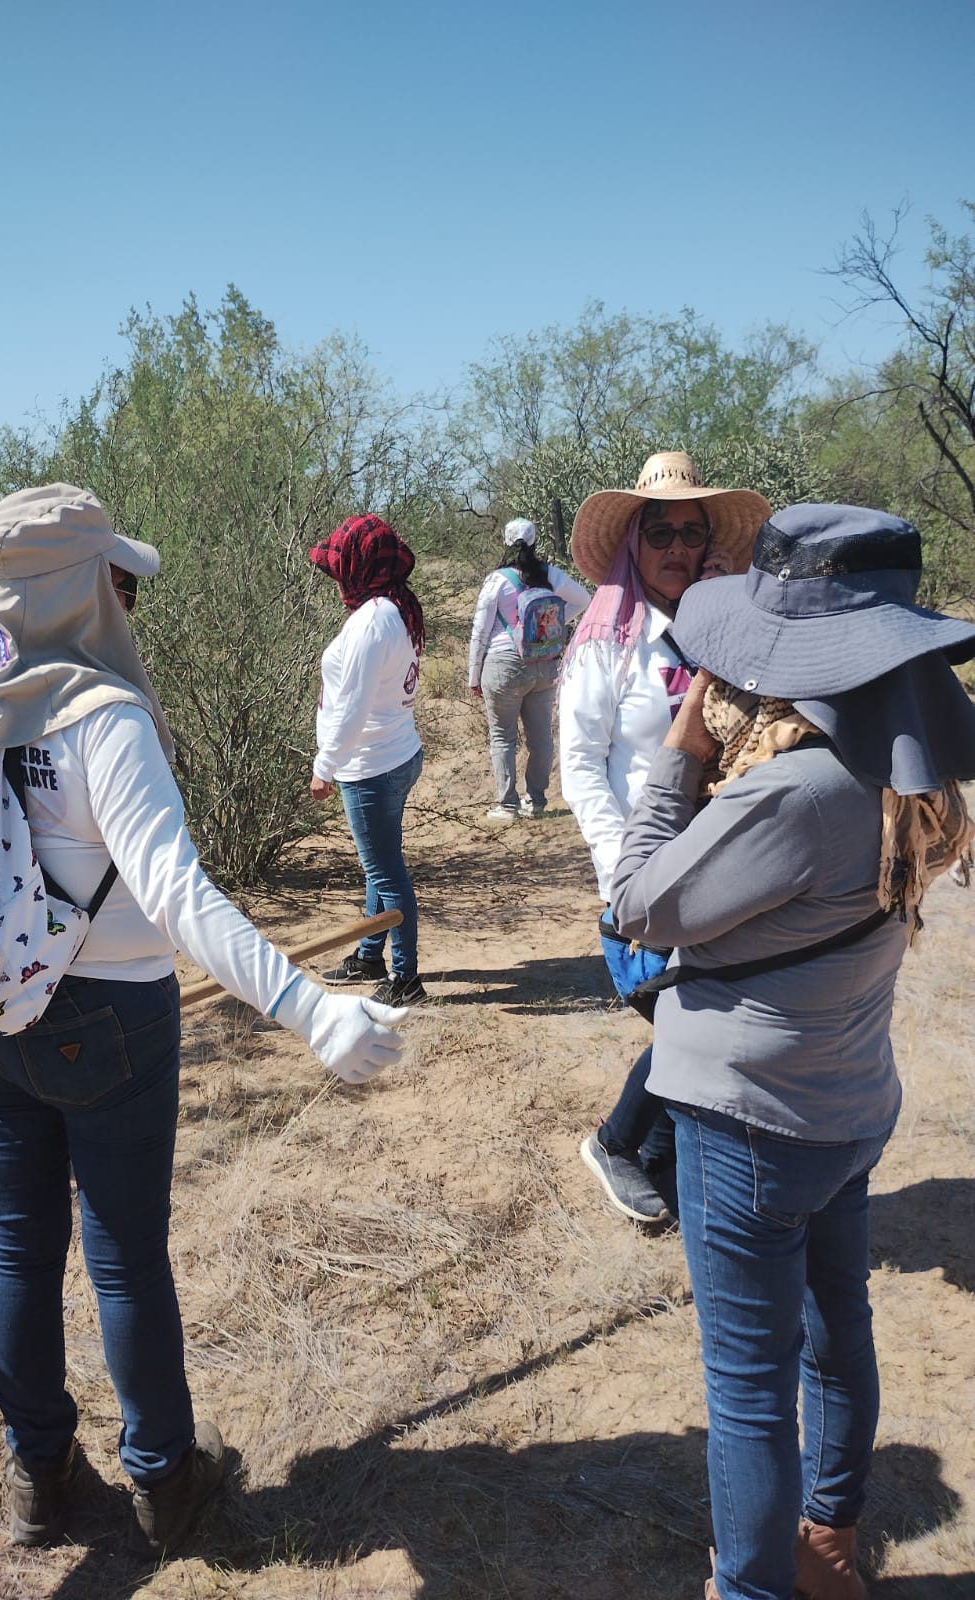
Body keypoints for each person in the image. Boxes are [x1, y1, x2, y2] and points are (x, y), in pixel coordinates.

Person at [0, 486, 409, 1556]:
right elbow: (176, 892)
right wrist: (308, 1007)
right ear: (79, 590)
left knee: (19, 1247)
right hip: (110, 1020)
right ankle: (165, 1479)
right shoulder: (103, 717)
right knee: (125, 1254)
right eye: (115, 582)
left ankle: (38, 1477)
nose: (125, 601)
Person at [610, 503, 975, 1600]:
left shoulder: (794, 787)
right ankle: (828, 1546)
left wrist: (681, 756)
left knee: (747, 1387)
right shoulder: (905, 770)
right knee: (836, 1332)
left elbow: (638, 901)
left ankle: (753, 1588)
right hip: (846, 1102)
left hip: (748, 1120)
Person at [558, 452, 770, 1222]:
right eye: (661, 533)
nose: (677, 547)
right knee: (697, 1024)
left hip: (724, 865)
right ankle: (621, 1142)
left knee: (716, 1020)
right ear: (633, 543)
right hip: (645, 875)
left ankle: (655, 1159)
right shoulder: (608, 642)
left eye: (692, 532)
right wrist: (623, 873)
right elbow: (581, 767)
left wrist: (729, 606)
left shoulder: (728, 626)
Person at [310, 513, 429, 1007]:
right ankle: (369, 955)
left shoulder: (374, 620)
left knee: (385, 873)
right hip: (394, 754)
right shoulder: (394, 608)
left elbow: (352, 707)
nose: (336, 577)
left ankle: (406, 979)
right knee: (380, 864)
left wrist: (324, 767)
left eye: (339, 566)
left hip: (371, 765)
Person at [467, 517, 590, 822]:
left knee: (502, 736)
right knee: (541, 737)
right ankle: (536, 801)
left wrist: (473, 675)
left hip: (504, 664)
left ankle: (507, 805)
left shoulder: (497, 580)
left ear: (505, 543)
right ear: (535, 542)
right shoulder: (550, 574)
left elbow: (480, 631)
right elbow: (583, 599)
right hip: (545, 663)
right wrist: (553, 626)